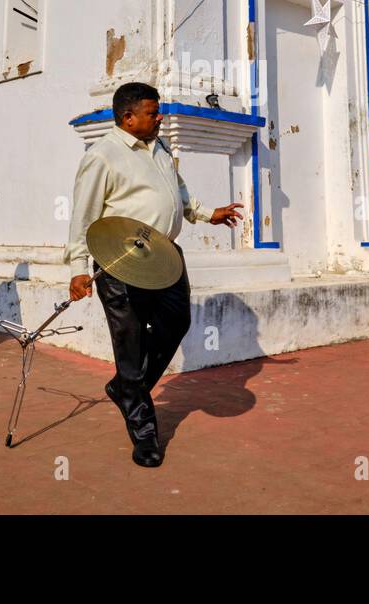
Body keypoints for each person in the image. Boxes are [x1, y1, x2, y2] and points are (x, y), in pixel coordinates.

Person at [66, 83, 242, 468]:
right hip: (120, 263)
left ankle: (128, 389)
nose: (159, 117)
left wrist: (205, 213)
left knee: (177, 321)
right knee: (129, 343)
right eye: (151, 112)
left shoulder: (159, 147)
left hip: (164, 255)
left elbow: (177, 193)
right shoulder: (102, 156)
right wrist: (79, 268)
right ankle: (145, 432)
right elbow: (82, 217)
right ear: (128, 118)